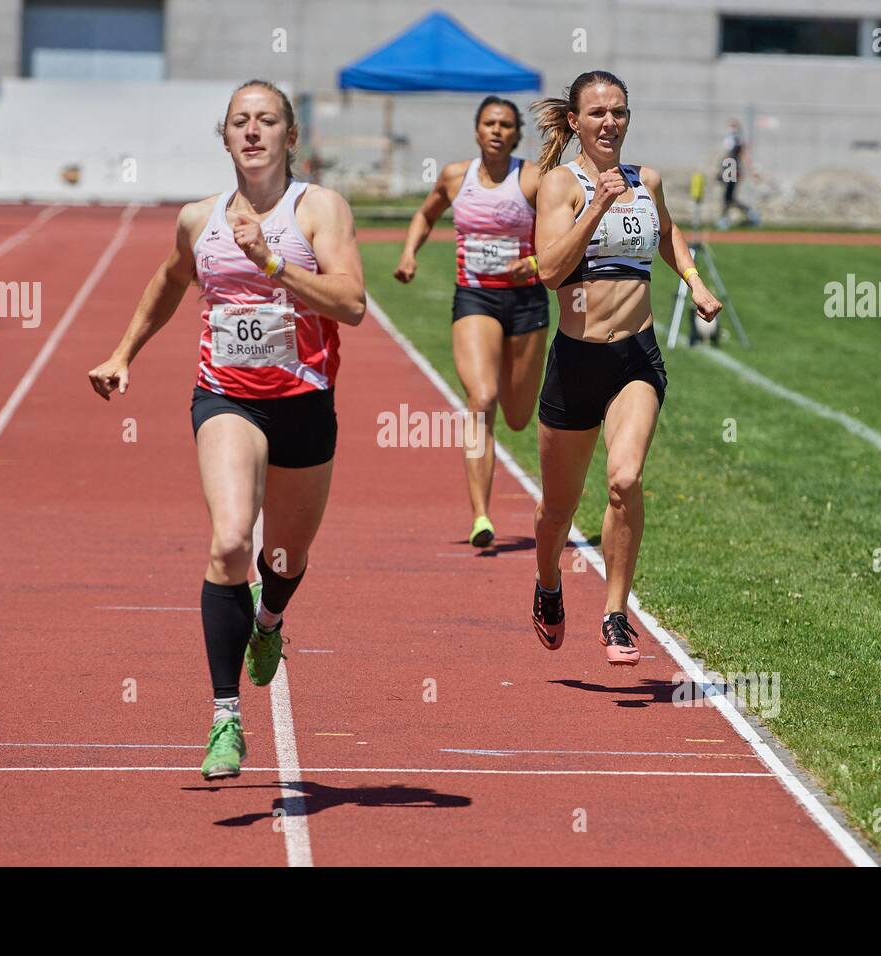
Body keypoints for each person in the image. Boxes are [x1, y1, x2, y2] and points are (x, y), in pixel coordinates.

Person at [88, 79, 366, 777]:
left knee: (284, 559)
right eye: (240, 121)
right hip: (226, 399)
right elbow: (171, 278)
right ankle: (225, 720)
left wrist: (271, 261)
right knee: (231, 541)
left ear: (290, 137)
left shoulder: (320, 209)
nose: (252, 132)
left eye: (266, 120)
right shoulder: (198, 218)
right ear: (225, 136)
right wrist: (124, 352)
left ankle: (269, 622)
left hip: (304, 404)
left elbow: (353, 303)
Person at [527, 71, 723, 665]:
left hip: (634, 357)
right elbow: (549, 271)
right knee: (554, 511)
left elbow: (668, 233)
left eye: (619, 111)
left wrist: (693, 281)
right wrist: (599, 204)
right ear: (575, 123)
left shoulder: (648, 181)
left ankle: (615, 613)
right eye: (597, 113)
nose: (609, 122)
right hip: (575, 361)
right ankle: (549, 585)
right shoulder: (559, 186)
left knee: (625, 480)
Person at [394, 97, 548, 549]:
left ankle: (506, 370)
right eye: (489, 123)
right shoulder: (455, 177)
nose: (497, 131)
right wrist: (409, 253)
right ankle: (481, 515)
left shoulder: (533, 178)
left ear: (516, 134)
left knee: (518, 417)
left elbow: (567, 231)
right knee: (482, 399)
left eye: (505, 125)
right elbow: (426, 213)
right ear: (477, 130)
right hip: (475, 297)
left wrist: (536, 261)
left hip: (526, 301)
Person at [717, 118, 760, 229]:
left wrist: (751, 170)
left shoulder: (738, 140)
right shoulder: (729, 139)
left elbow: (743, 156)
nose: (731, 128)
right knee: (729, 197)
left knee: (727, 197)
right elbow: (726, 156)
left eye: (733, 126)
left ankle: (725, 219)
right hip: (727, 168)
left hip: (732, 169)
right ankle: (748, 213)